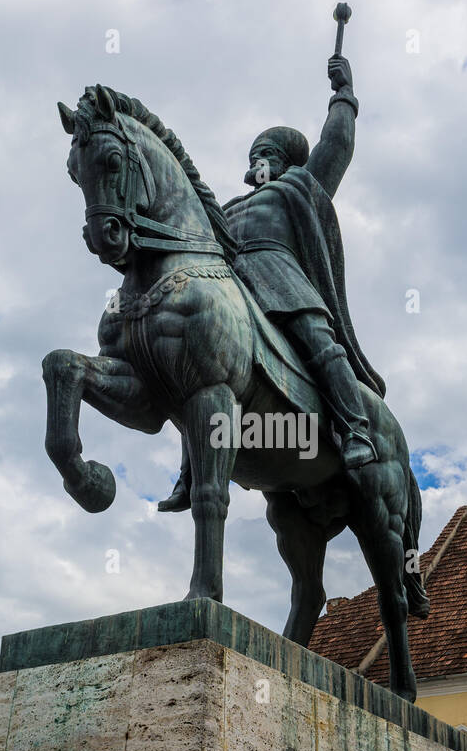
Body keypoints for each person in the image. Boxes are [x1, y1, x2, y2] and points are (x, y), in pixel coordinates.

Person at [160, 52, 384, 512]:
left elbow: (336, 144)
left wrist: (345, 95)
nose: (257, 162)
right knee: (201, 362)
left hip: (280, 279)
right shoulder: (227, 206)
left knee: (319, 343)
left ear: (283, 162)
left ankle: (356, 430)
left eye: (266, 155)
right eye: (254, 156)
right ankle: (192, 472)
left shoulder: (300, 185)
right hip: (230, 285)